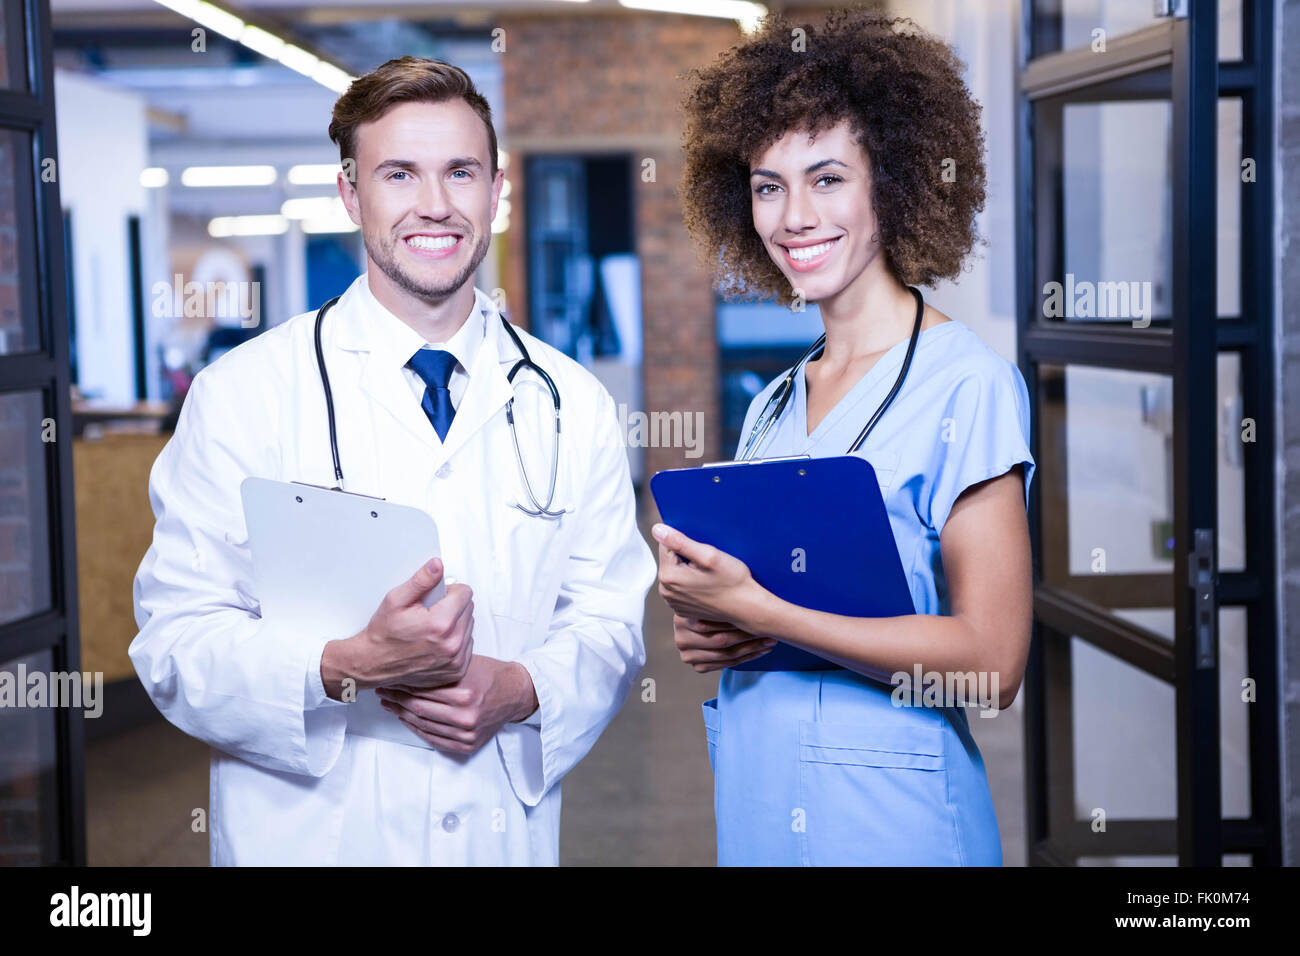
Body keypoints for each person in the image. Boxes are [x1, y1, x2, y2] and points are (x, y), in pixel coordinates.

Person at [131, 56, 655, 866]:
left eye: (461, 172)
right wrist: (343, 666)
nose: (435, 205)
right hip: (306, 841)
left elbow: (610, 623)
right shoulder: (243, 394)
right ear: (350, 191)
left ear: (496, 189)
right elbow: (174, 644)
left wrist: (520, 690)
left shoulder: (570, 402)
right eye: (399, 173)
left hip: (494, 835)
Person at [655, 12, 1035, 866]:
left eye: (827, 178)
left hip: (891, 824)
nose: (794, 217)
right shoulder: (771, 407)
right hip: (759, 814)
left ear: (892, 185)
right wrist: (716, 624)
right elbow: (760, 621)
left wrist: (771, 612)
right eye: (767, 186)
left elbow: (993, 665)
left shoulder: (965, 385)